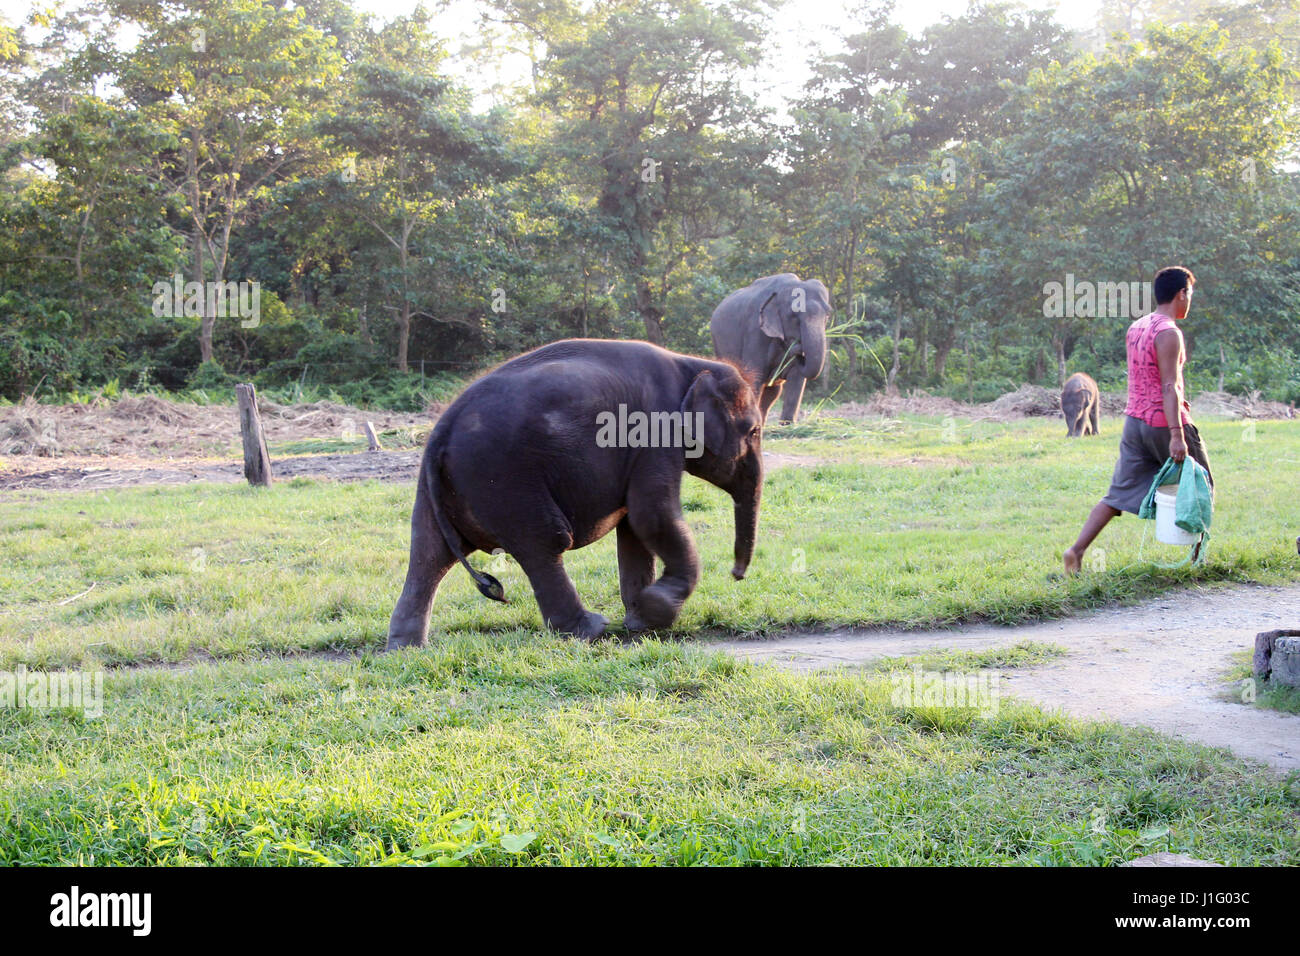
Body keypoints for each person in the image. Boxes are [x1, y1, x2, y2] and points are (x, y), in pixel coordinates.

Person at [1063, 266, 1213, 575]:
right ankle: (1198, 560)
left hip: (1134, 424)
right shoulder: (1169, 332)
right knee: (1202, 484)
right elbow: (1170, 385)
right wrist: (1176, 434)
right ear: (1181, 294)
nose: (1190, 301)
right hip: (1164, 423)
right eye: (1190, 294)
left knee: (1118, 494)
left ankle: (1075, 551)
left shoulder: (1138, 326)